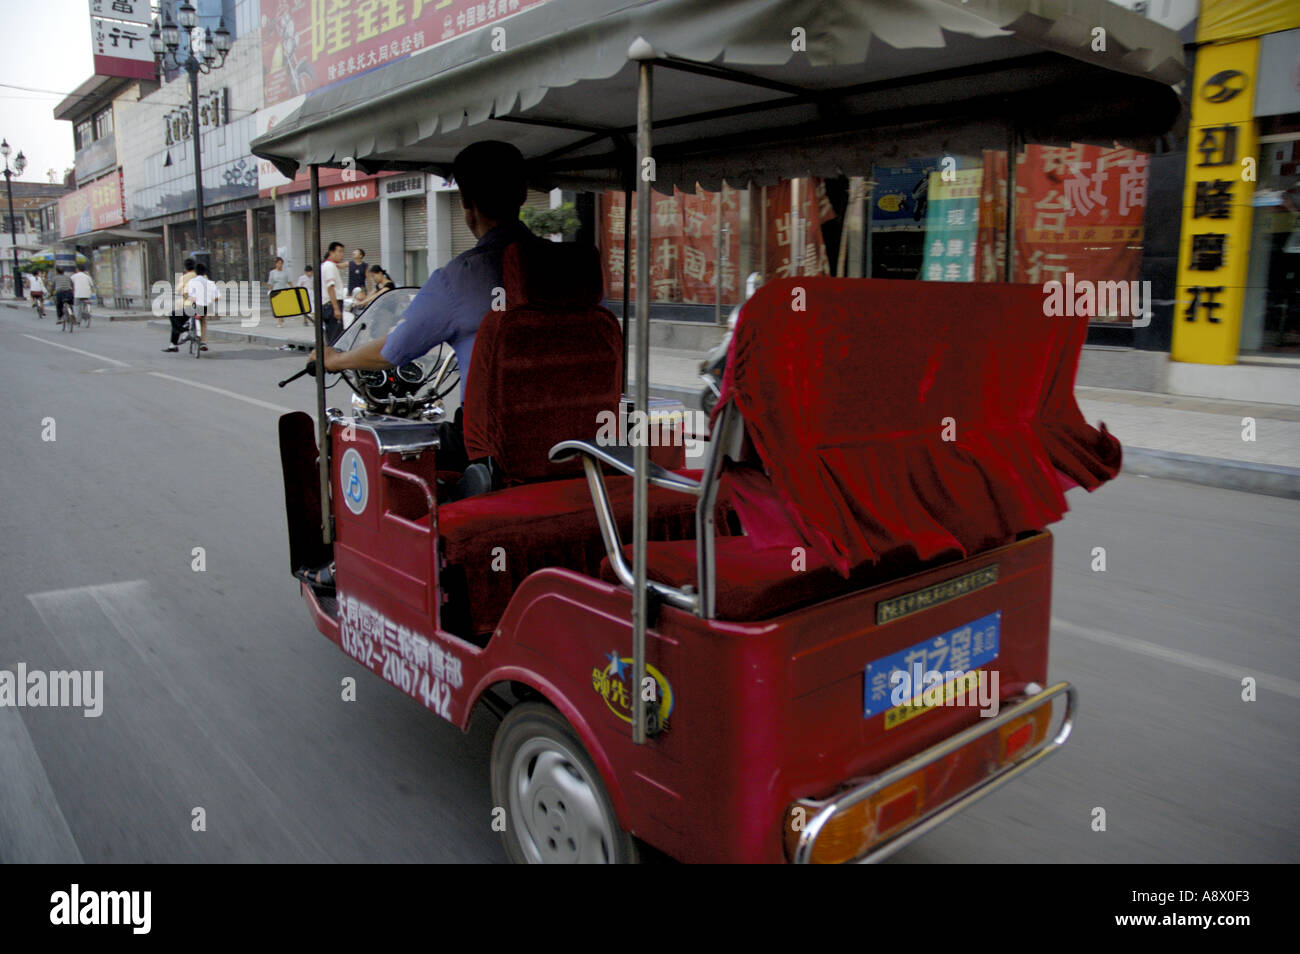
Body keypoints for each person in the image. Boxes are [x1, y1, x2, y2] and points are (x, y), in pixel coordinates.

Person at [314, 140, 541, 492]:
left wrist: (337, 359)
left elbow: (393, 352)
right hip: (576, 439)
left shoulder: (459, 278)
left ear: (466, 204)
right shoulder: (574, 271)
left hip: (493, 447)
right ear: (524, 194)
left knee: (387, 458)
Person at [164, 258, 196, 351]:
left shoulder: (184, 277)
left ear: (185, 268)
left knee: (174, 316)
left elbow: (178, 290)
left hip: (189, 306)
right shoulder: (200, 276)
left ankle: (180, 335)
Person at [186, 262, 220, 351]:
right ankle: (203, 342)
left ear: (196, 272)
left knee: (189, 311)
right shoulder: (210, 282)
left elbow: (190, 295)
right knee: (203, 322)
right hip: (206, 306)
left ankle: (189, 326)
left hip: (196, 305)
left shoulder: (192, 282)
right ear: (205, 272)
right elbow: (217, 296)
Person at [320, 242, 345, 344]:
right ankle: (334, 358)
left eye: (342, 252)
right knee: (336, 338)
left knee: (332, 336)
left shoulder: (328, 265)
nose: (342, 254)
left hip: (328, 305)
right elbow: (330, 287)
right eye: (339, 251)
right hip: (332, 305)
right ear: (331, 252)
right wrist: (336, 308)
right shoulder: (329, 266)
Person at [267, 256, 291, 327]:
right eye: (278, 263)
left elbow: (289, 282)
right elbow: (271, 283)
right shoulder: (272, 272)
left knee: (283, 306)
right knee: (278, 307)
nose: (280, 265)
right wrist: (269, 291)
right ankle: (279, 321)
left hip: (284, 290)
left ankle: (281, 317)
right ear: (276, 264)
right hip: (276, 290)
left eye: (281, 263)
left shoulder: (285, 273)